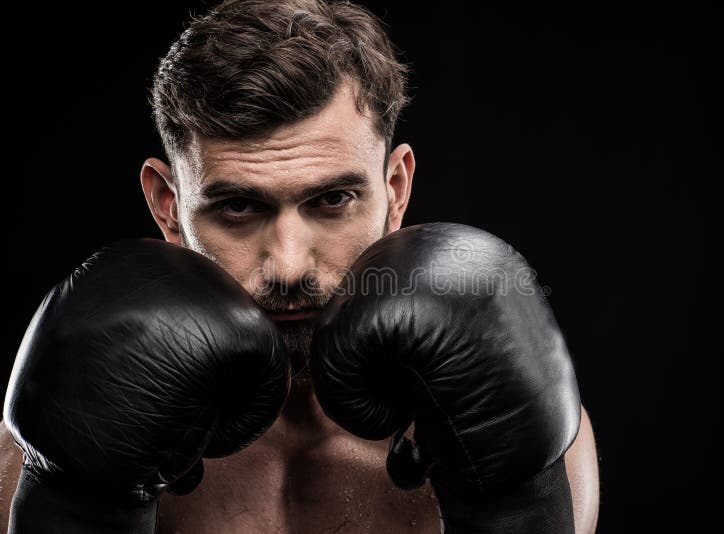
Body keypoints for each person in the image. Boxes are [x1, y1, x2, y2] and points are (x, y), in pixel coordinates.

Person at [0, 0, 600, 532]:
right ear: (168, 204)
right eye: (237, 207)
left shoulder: (502, 418)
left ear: (394, 190)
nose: (289, 266)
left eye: (332, 200)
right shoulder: (63, 432)